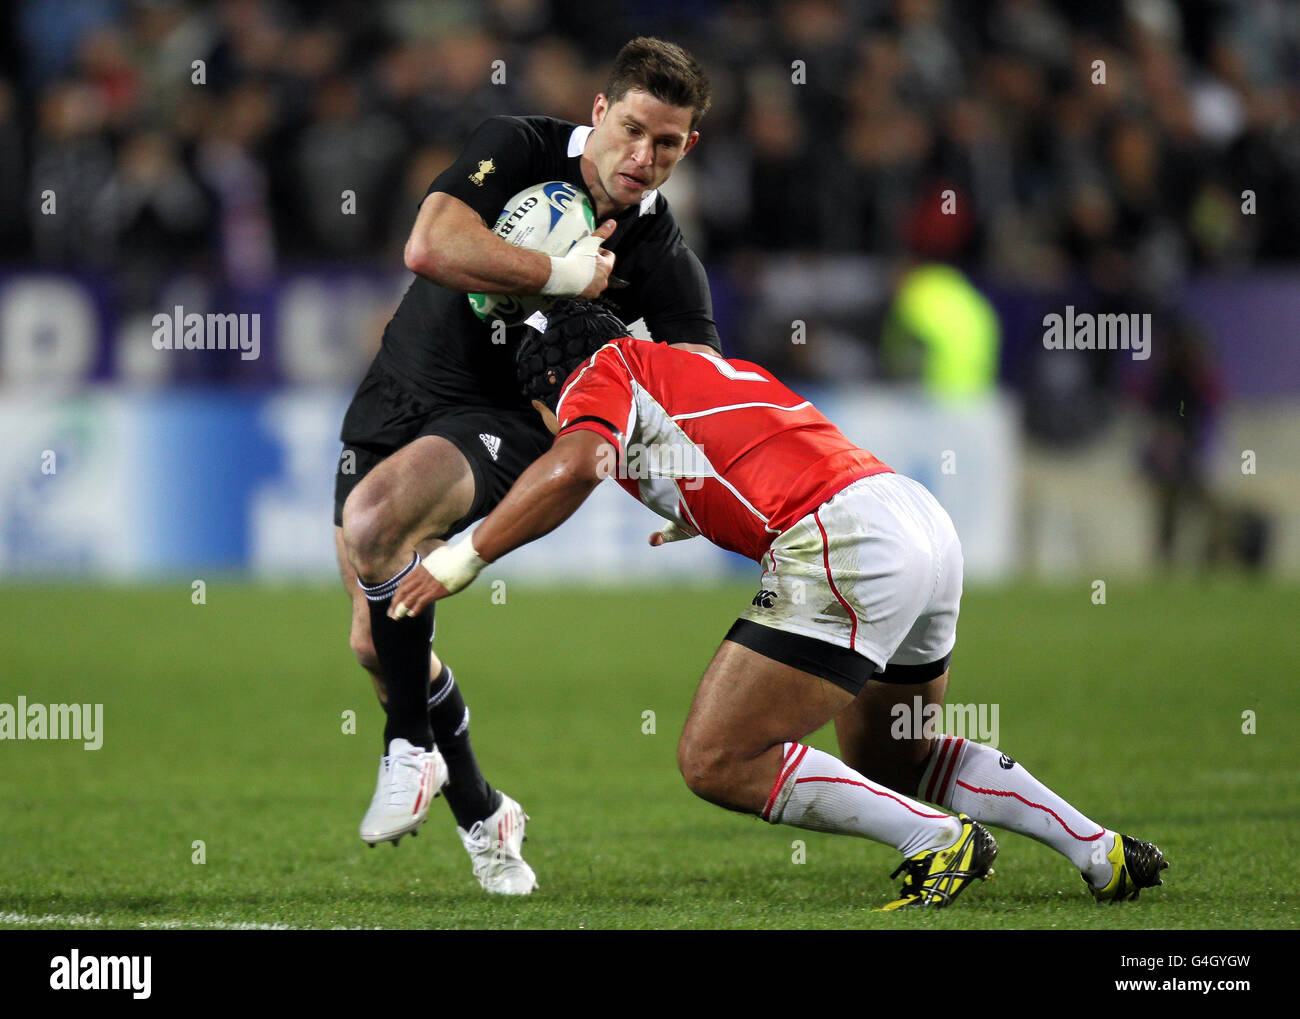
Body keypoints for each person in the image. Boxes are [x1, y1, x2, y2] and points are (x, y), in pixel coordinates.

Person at [390, 300, 1169, 908]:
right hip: (916, 519)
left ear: (544, 387)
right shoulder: (686, 365)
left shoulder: (599, 373)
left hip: (844, 540)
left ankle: (936, 838)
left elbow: (577, 463)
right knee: (897, 752)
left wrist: (464, 555)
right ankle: (1098, 849)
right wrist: (697, 506)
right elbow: (738, 446)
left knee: (716, 756)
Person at [334, 38, 717, 895]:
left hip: (506, 423)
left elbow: (699, 384)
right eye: (631, 130)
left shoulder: (660, 255)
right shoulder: (515, 146)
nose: (643, 157)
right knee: (377, 634)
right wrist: (564, 275)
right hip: (395, 394)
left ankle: (407, 748)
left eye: (667, 143)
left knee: (374, 525)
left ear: (688, 146)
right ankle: (482, 808)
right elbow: (429, 246)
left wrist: (691, 478)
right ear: (598, 113)